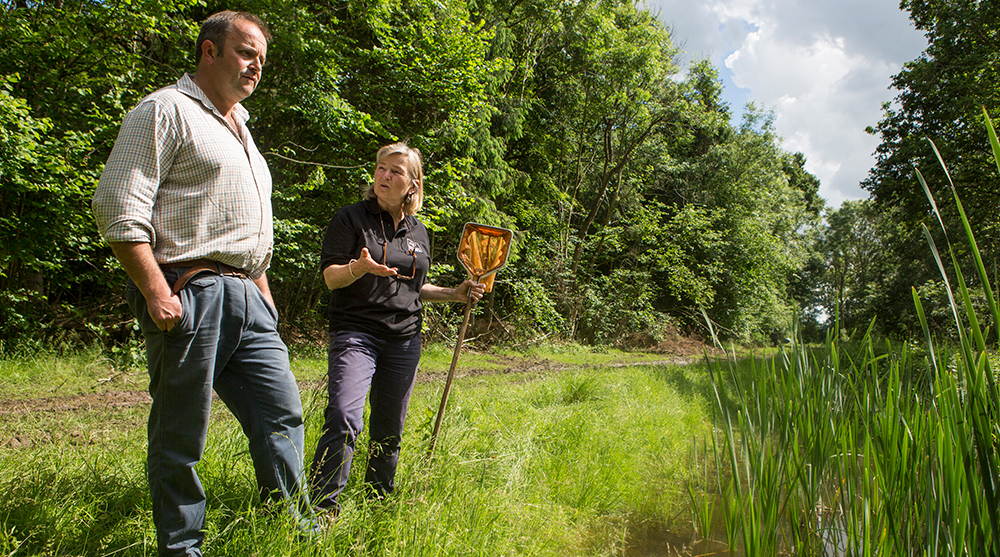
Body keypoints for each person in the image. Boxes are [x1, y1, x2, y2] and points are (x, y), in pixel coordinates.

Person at [92, 11, 313, 556]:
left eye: (262, 58)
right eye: (246, 52)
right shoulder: (165, 110)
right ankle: (182, 547)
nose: (256, 66)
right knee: (181, 433)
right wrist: (155, 291)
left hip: (249, 297)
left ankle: (291, 529)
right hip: (192, 290)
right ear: (209, 52)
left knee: (282, 413)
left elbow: (245, 225)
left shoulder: (243, 131)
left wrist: (263, 290)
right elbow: (118, 205)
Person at [310, 142, 485, 516]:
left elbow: (413, 286)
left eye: (396, 171)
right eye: (381, 168)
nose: (385, 176)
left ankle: (378, 505)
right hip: (357, 333)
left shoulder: (418, 231)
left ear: (413, 185)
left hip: (404, 339)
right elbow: (330, 278)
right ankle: (322, 511)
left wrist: (455, 293)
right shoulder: (351, 218)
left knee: (389, 430)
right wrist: (359, 268)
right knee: (344, 416)